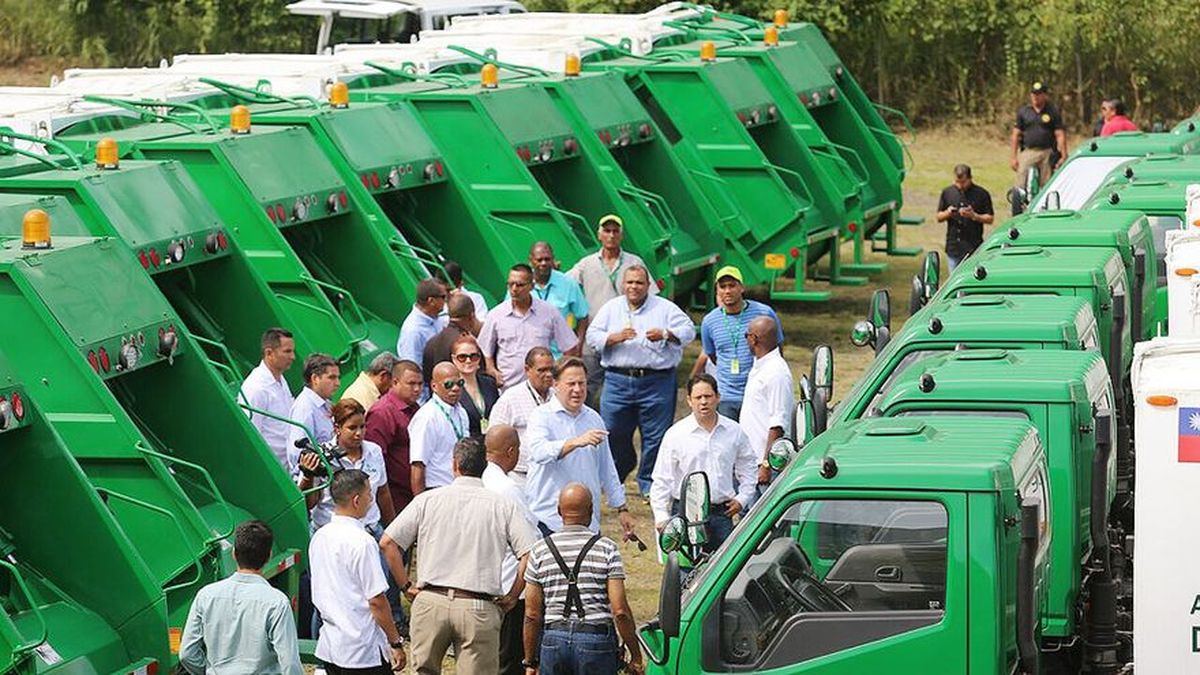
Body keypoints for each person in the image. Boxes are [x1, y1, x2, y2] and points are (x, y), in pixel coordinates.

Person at [380, 437, 538, 675]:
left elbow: (388, 542)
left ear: (454, 464)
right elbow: (529, 554)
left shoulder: (428, 500)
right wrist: (513, 595)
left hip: (431, 599)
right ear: (484, 466)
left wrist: (406, 586)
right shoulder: (503, 505)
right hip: (478, 605)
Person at [586, 265, 695, 497]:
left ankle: (648, 484)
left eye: (639, 282)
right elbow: (592, 336)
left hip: (657, 381)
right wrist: (612, 338)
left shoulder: (664, 308)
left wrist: (666, 334)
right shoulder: (611, 308)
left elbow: (688, 332)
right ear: (623, 285)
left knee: (656, 436)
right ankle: (618, 472)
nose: (634, 287)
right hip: (618, 380)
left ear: (648, 285)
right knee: (612, 430)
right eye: (630, 282)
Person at [523, 483, 644, 675]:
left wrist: (530, 661)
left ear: (559, 511)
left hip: (554, 639)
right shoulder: (607, 548)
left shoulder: (540, 550)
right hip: (595, 641)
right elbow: (620, 611)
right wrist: (635, 655)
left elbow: (532, 614)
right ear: (591, 509)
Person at [309, 470, 406, 675]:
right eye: (369, 493)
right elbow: (377, 600)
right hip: (362, 649)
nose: (371, 499)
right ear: (356, 500)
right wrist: (395, 641)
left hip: (331, 644)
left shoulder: (319, 537)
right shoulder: (363, 542)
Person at [525, 357, 635, 538]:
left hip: (588, 523)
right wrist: (576, 442)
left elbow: (607, 468)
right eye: (571, 384)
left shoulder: (594, 419)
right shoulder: (541, 416)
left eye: (581, 383)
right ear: (555, 384)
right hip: (548, 521)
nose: (577, 389)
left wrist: (621, 508)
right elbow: (539, 452)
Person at [180, 520, 303, 675]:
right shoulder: (277, 602)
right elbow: (290, 663)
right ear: (269, 556)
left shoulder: (205, 595)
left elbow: (186, 653)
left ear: (234, 553)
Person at [650, 375, 757, 551]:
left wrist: (742, 498)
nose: (703, 402)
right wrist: (661, 516)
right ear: (689, 401)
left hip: (722, 513)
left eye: (708, 396)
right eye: (698, 397)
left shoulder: (734, 431)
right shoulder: (676, 434)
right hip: (685, 514)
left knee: (724, 565)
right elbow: (662, 478)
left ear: (718, 397)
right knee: (685, 566)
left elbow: (749, 466)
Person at [566, 215, 657, 409]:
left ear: (621, 235)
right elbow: (566, 284)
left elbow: (653, 296)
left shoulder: (634, 262)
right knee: (587, 384)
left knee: (623, 386)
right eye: (607, 231)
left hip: (626, 338)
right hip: (594, 337)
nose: (611, 235)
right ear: (599, 235)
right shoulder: (587, 263)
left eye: (615, 231)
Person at [691, 266, 783, 420]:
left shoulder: (764, 313)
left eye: (732, 286)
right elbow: (712, 355)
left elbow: (777, 348)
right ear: (717, 290)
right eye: (722, 287)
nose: (727, 291)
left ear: (742, 288)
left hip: (757, 392)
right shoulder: (709, 321)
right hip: (727, 396)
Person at [481, 425, 538, 675]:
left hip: (482, 582)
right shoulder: (507, 488)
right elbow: (528, 541)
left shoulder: (481, 479)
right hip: (509, 584)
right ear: (511, 451)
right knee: (509, 659)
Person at [298, 399, 395, 531]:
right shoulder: (320, 455)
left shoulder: (374, 451)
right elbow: (308, 503)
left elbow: (383, 493)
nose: (359, 433)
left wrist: (391, 530)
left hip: (370, 529)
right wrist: (308, 476)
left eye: (362, 426)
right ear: (337, 428)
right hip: (331, 533)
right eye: (352, 428)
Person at [479, 264, 578, 391]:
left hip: (543, 388)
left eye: (520, 285)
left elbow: (569, 346)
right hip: (508, 388)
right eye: (510, 284)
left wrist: (559, 375)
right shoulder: (496, 315)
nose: (514, 289)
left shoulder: (548, 312)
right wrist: (491, 369)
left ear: (531, 286)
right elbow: (485, 349)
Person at [741, 317, 795, 489]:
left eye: (746, 335)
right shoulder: (761, 365)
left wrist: (766, 464)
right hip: (752, 460)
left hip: (764, 465)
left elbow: (778, 423)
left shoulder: (776, 373)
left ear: (753, 339)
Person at [489, 346, 555, 487]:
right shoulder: (511, 399)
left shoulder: (558, 397)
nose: (548, 374)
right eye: (542, 370)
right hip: (519, 475)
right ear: (527, 370)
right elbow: (494, 439)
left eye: (551, 369)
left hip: (552, 474)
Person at [365, 360, 423, 513]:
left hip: (415, 492)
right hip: (395, 496)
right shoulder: (382, 413)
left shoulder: (415, 408)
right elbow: (374, 459)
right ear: (395, 382)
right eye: (411, 384)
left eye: (420, 384)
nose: (417, 389)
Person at [407, 361, 470, 494]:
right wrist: (420, 502)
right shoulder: (427, 417)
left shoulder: (461, 412)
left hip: (461, 487)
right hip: (438, 489)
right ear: (434, 386)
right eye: (448, 384)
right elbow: (418, 465)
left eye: (459, 383)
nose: (455, 388)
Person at [239, 328, 296, 470]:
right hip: (276, 469)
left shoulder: (281, 378)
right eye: (287, 351)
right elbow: (252, 437)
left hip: (290, 465)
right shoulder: (255, 389)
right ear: (269, 353)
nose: (293, 357)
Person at [528, 241, 589, 354]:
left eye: (547, 259)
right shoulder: (521, 283)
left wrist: (578, 346)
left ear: (553, 259)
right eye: (539, 260)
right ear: (530, 260)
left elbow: (583, 317)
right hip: (529, 355)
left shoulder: (568, 283)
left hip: (560, 356)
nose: (543, 263)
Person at [286, 353, 341, 475]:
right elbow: (297, 454)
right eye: (332, 378)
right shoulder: (304, 408)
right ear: (315, 378)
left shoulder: (327, 404)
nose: (338, 383)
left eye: (338, 377)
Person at [935, 164, 995, 270]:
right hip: (954, 246)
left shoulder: (981, 194)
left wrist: (974, 216)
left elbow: (990, 218)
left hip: (973, 246)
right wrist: (948, 213)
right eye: (957, 182)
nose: (960, 185)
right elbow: (938, 217)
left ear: (970, 178)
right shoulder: (948, 192)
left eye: (963, 182)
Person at [1011, 81, 1067, 189]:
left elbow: (1060, 134)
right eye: (1033, 94)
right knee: (1021, 181)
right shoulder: (1024, 112)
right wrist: (1013, 157)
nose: (1035, 97)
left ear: (1045, 95)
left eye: (1039, 94)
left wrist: (1064, 155)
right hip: (1029, 151)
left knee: (1047, 184)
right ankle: (1020, 198)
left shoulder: (1053, 111)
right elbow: (1015, 135)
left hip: (1047, 152)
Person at [422, 293, 483, 385]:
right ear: (472, 316)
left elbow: (427, 378)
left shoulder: (431, 342)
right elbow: (480, 375)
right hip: (464, 391)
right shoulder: (467, 345)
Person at [450, 334, 500, 437]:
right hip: (466, 443)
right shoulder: (452, 389)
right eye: (462, 357)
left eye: (473, 356)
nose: (468, 361)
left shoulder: (489, 383)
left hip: (490, 441)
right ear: (454, 359)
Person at [396, 278, 448, 365]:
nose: (446, 300)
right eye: (443, 297)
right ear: (431, 301)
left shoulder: (436, 316)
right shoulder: (413, 331)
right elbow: (411, 367)